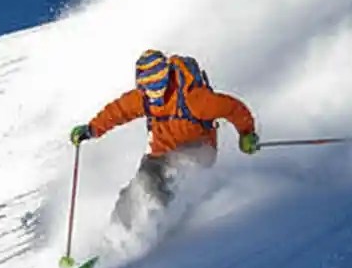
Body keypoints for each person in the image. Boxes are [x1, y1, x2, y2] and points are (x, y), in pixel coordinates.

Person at [70, 50, 260, 226]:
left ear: (167, 79)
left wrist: (247, 133)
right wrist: (92, 129)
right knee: (135, 190)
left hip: (198, 150)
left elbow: (233, 108)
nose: (155, 92)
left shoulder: (194, 100)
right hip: (161, 152)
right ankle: (115, 239)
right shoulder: (144, 99)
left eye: (159, 85)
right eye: (149, 87)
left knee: (166, 185)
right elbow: (118, 111)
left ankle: (161, 226)